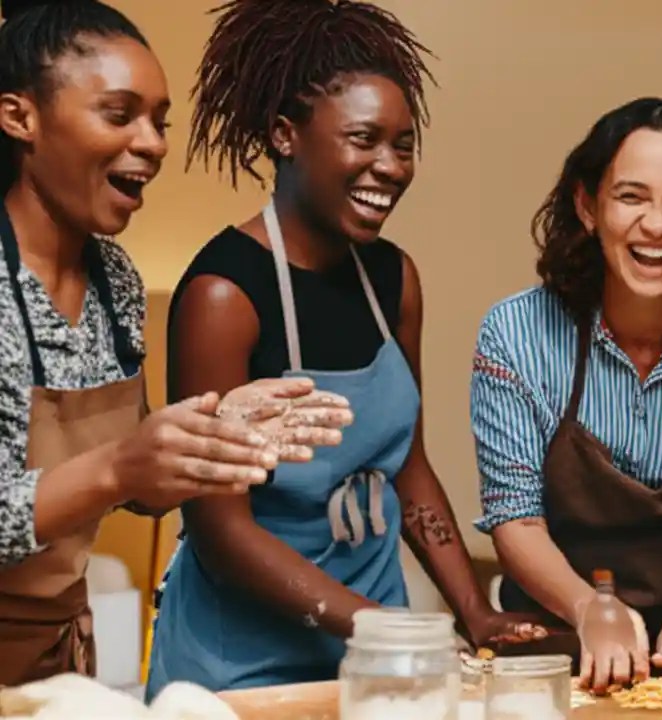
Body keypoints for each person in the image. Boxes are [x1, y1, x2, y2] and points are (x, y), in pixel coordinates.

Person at [145, 0, 543, 696]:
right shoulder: (223, 295)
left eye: (404, 144)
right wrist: (387, 631)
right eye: (364, 139)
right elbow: (218, 530)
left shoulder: (394, 278)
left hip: (368, 656)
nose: (388, 166)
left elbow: (407, 467)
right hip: (239, 669)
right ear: (284, 135)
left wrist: (473, 610)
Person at [0, 0, 351, 686]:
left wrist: (209, 439)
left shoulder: (116, 282)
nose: (155, 143)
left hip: (58, 662)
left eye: (159, 121)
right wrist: (119, 468)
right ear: (20, 117)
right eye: (119, 113)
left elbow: (142, 493)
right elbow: (113, 473)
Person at [471, 97, 662, 696]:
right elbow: (514, 513)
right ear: (588, 207)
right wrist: (590, 610)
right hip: (570, 643)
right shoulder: (514, 334)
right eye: (632, 196)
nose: (657, 224)